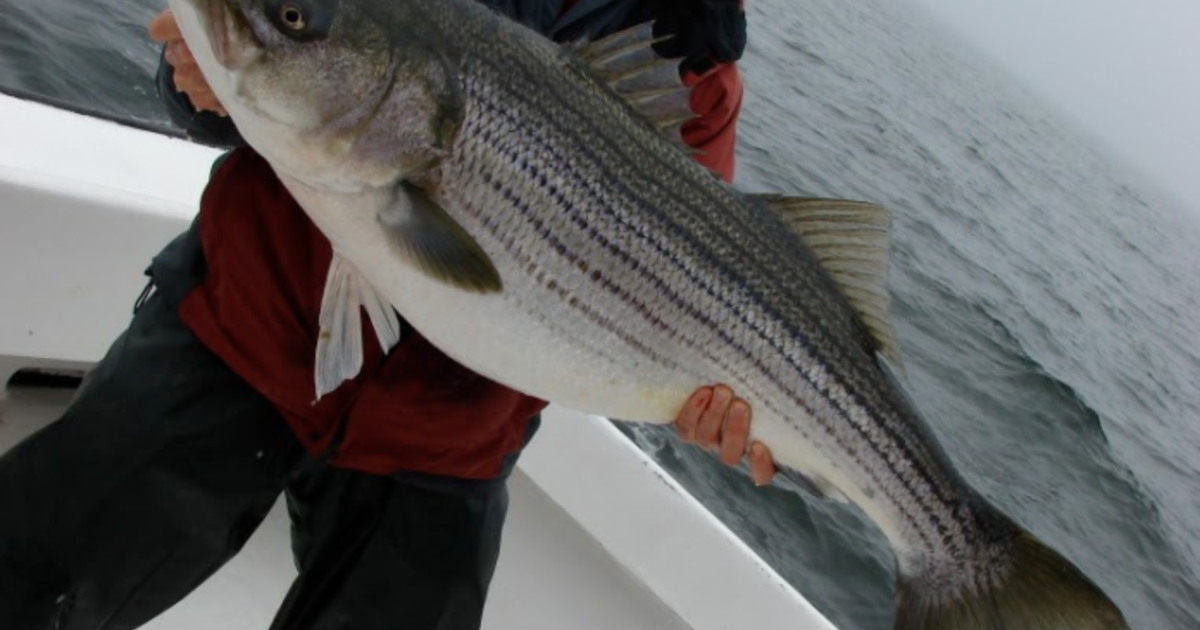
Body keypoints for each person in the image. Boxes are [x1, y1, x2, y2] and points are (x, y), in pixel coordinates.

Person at [0, 1, 774, 628]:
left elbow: (670, 300)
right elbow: (272, 43)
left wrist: (702, 395)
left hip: (442, 444)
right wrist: (196, 84)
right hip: (242, 332)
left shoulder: (696, 68)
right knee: (27, 582)